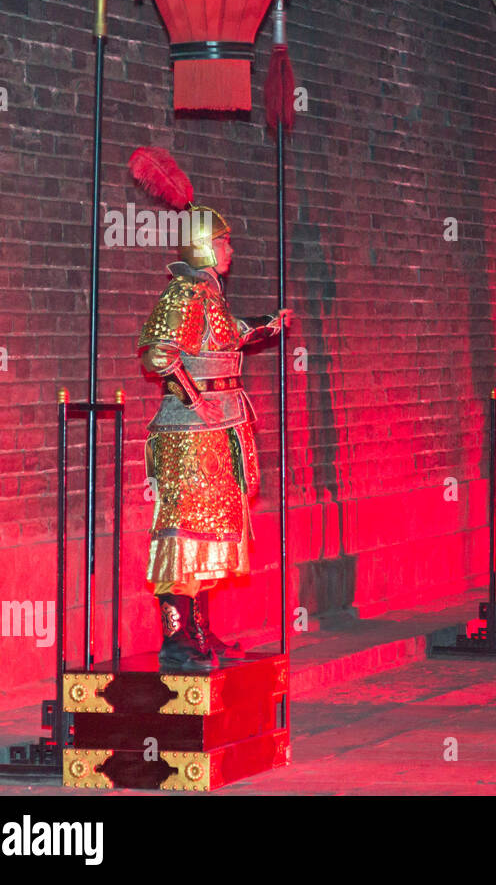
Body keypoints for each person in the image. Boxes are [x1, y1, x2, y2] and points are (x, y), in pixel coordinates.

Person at [133, 148, 293, 671]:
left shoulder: (211, 296)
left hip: (220, 426)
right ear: (204, 244)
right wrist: (195, 400)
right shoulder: (184, 293)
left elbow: (228, 337)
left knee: (213, 528)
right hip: (190, 431)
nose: (230, 249)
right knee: (184, 528)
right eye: (224, 241)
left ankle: (201, 631)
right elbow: (161, 354)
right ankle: (177, 638)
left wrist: (270, 323)